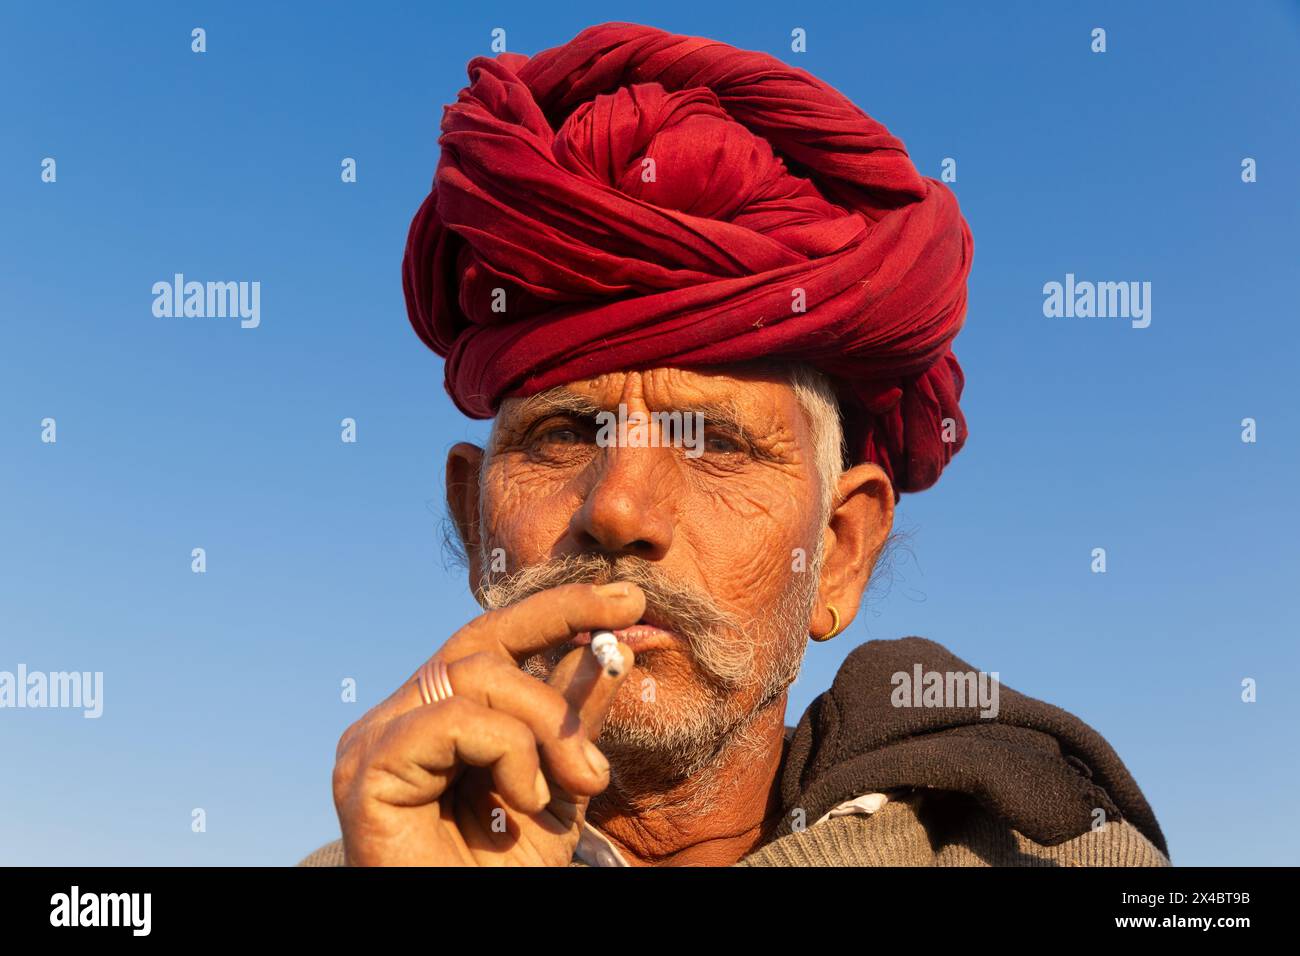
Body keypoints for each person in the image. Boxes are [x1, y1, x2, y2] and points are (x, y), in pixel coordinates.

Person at [301, 22, 1168, 867]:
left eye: (714, 444)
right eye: (564, 434)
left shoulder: (1058, 855)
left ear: (837, 554)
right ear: (477, 524)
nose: (617, 511)